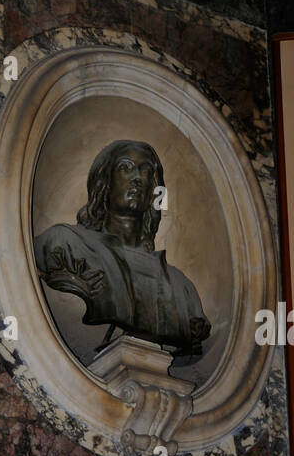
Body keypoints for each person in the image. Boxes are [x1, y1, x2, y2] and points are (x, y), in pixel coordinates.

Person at [33, 140, 211, 358]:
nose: (137, 178)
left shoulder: (180, 288)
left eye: (145, 171)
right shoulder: (65, 243)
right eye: (125, 167)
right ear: (105, 183)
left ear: (153, 191)